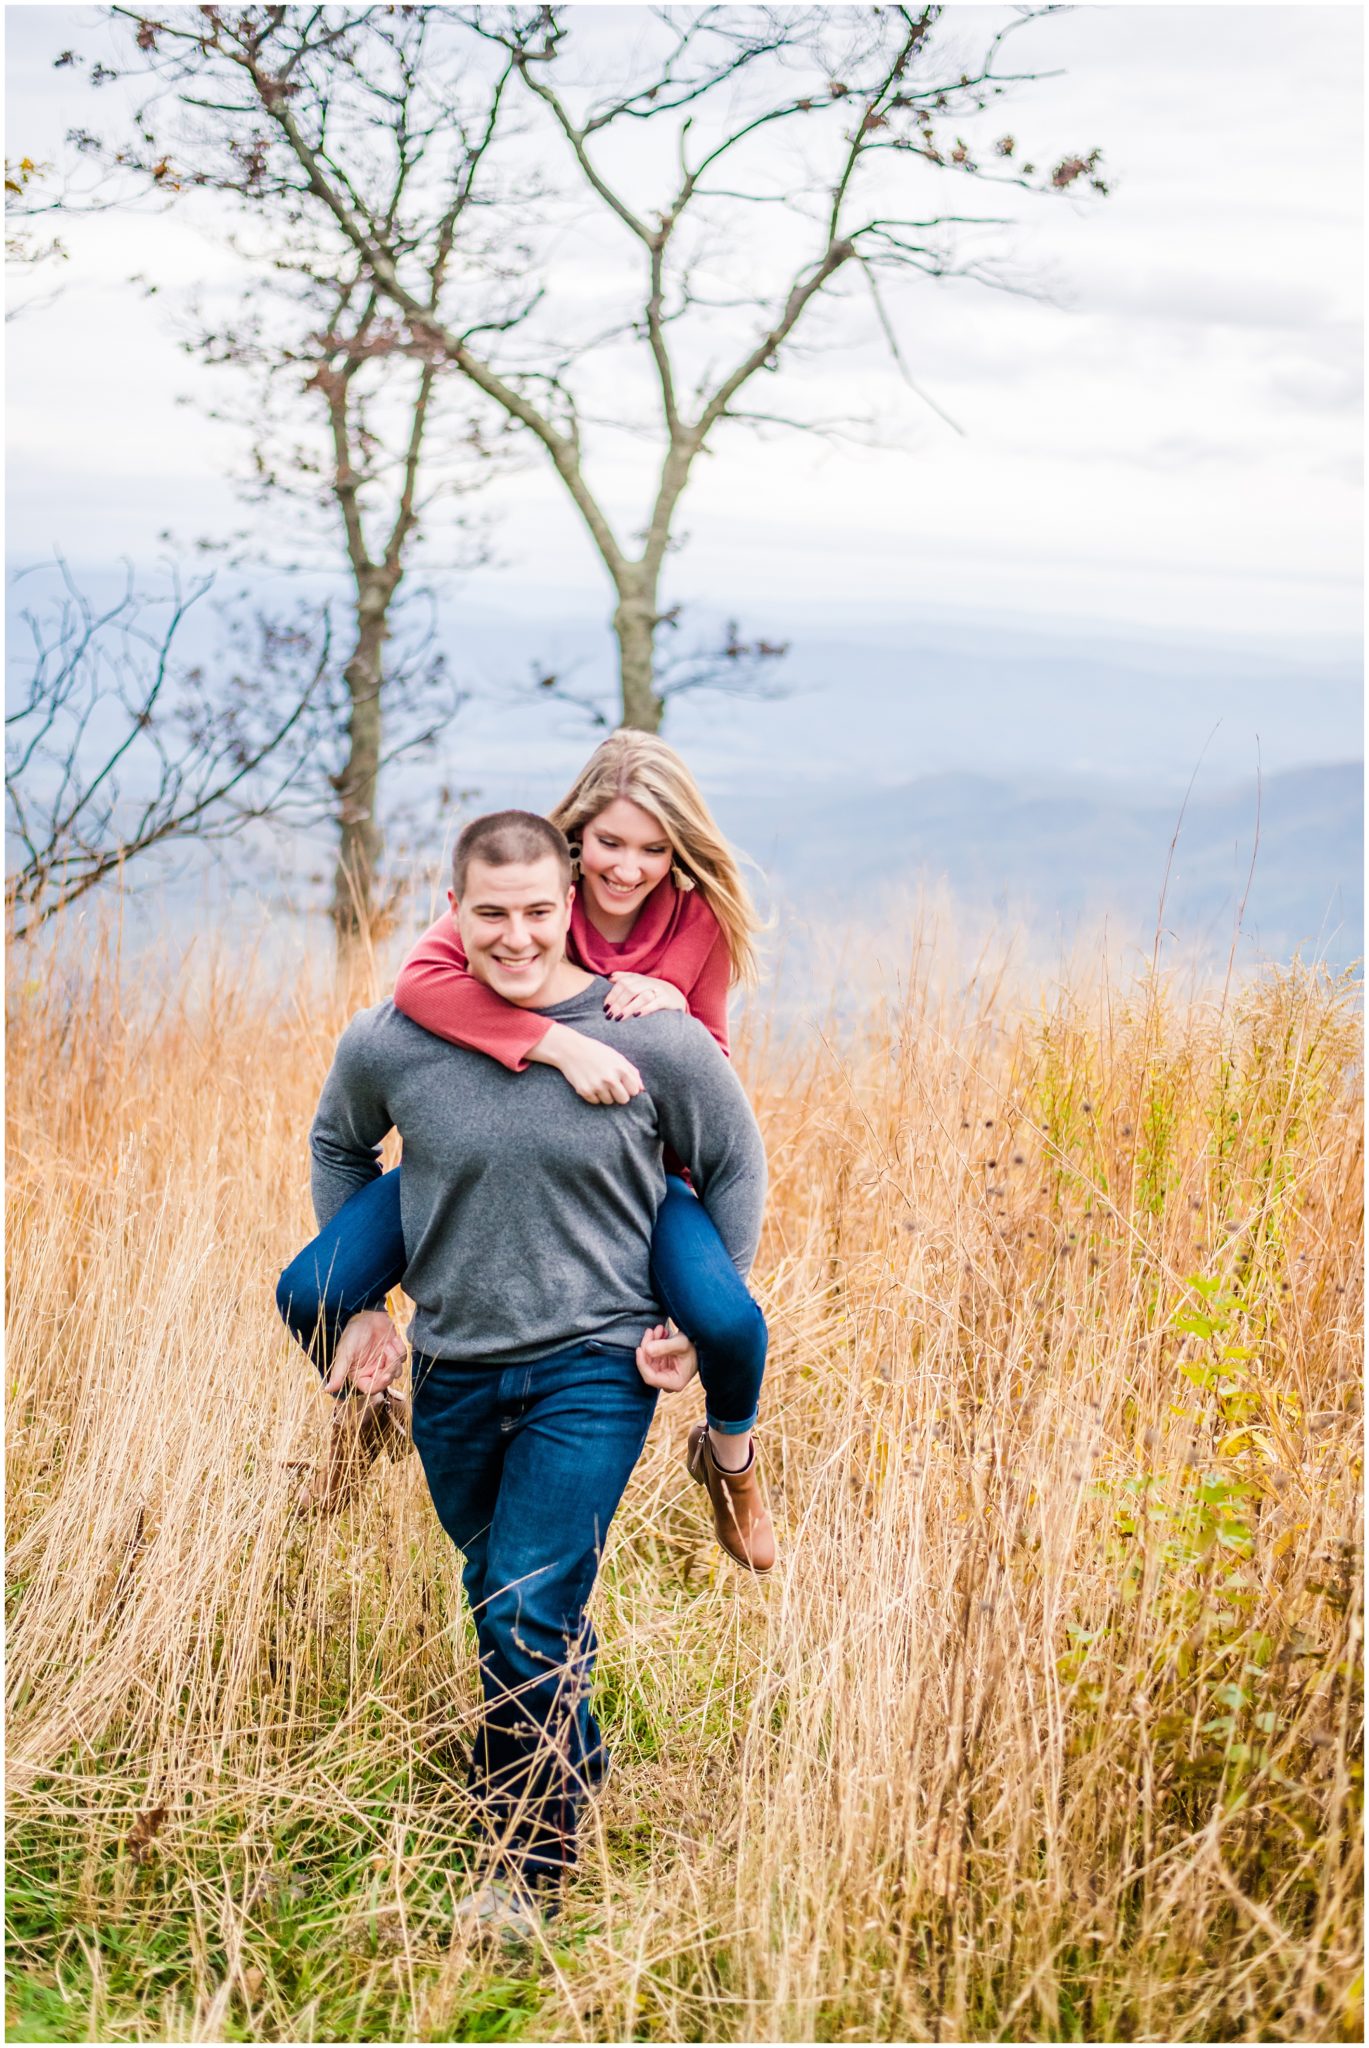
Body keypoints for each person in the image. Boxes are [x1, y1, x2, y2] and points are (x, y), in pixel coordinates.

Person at [305, 809, 769, 1931]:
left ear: (570, 908)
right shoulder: (392, 1041)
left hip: (593, 1366)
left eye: (535, 912)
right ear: (452, 912)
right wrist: (359, 1309)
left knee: (520, 1602)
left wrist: (688, 1313)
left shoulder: (649, 1038)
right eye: (490, 914)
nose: (514, 936)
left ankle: (525, 1870)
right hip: (453, 1365)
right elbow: (337, 1145)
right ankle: (575, 1759)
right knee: (506, 1592)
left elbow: (732, 1162)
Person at [277, 733, 774, 1569]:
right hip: (478, 1153)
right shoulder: (525, 900)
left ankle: (731, 1465)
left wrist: (666, 1016)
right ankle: (365, 1405)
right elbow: (420, 986)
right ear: (575, 841)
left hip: (634, 1175)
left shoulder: (697, 922)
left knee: (727, 1321)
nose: (628, 868)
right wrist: (557, 1044)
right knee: (307, 1292)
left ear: (678, 852)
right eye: (610, 842)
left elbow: (709, 1066)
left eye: (654, 849)